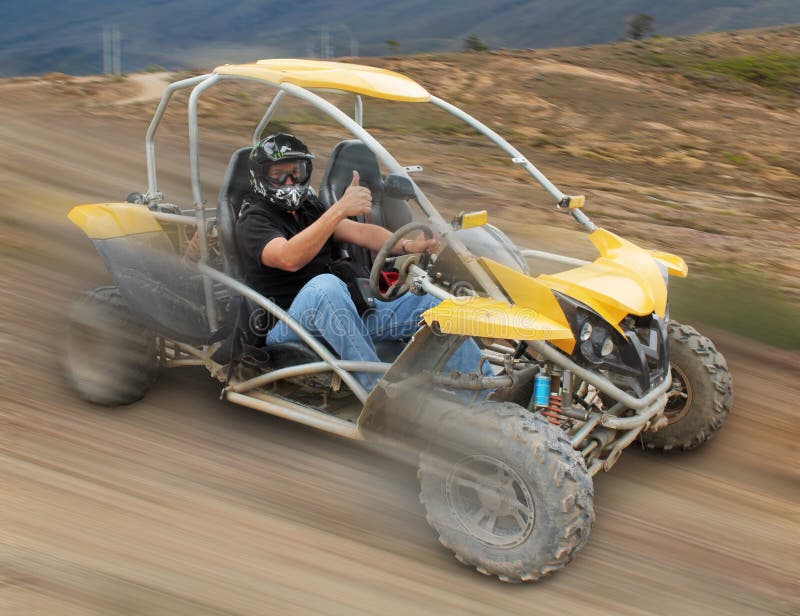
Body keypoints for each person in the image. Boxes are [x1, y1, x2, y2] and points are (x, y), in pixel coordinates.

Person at [235, 133, 485, 392]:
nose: (289, 181)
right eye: (279, 173)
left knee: (433, 304)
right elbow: (289, 258)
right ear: (261, 176)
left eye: (296, 172)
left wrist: (408, 246)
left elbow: (361, 232)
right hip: (289, 326)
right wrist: (338, 209)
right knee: (325, 286)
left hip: (339, 317)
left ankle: (484, 392)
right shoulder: (254, 220)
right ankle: (376, 391)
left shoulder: (309, 208)